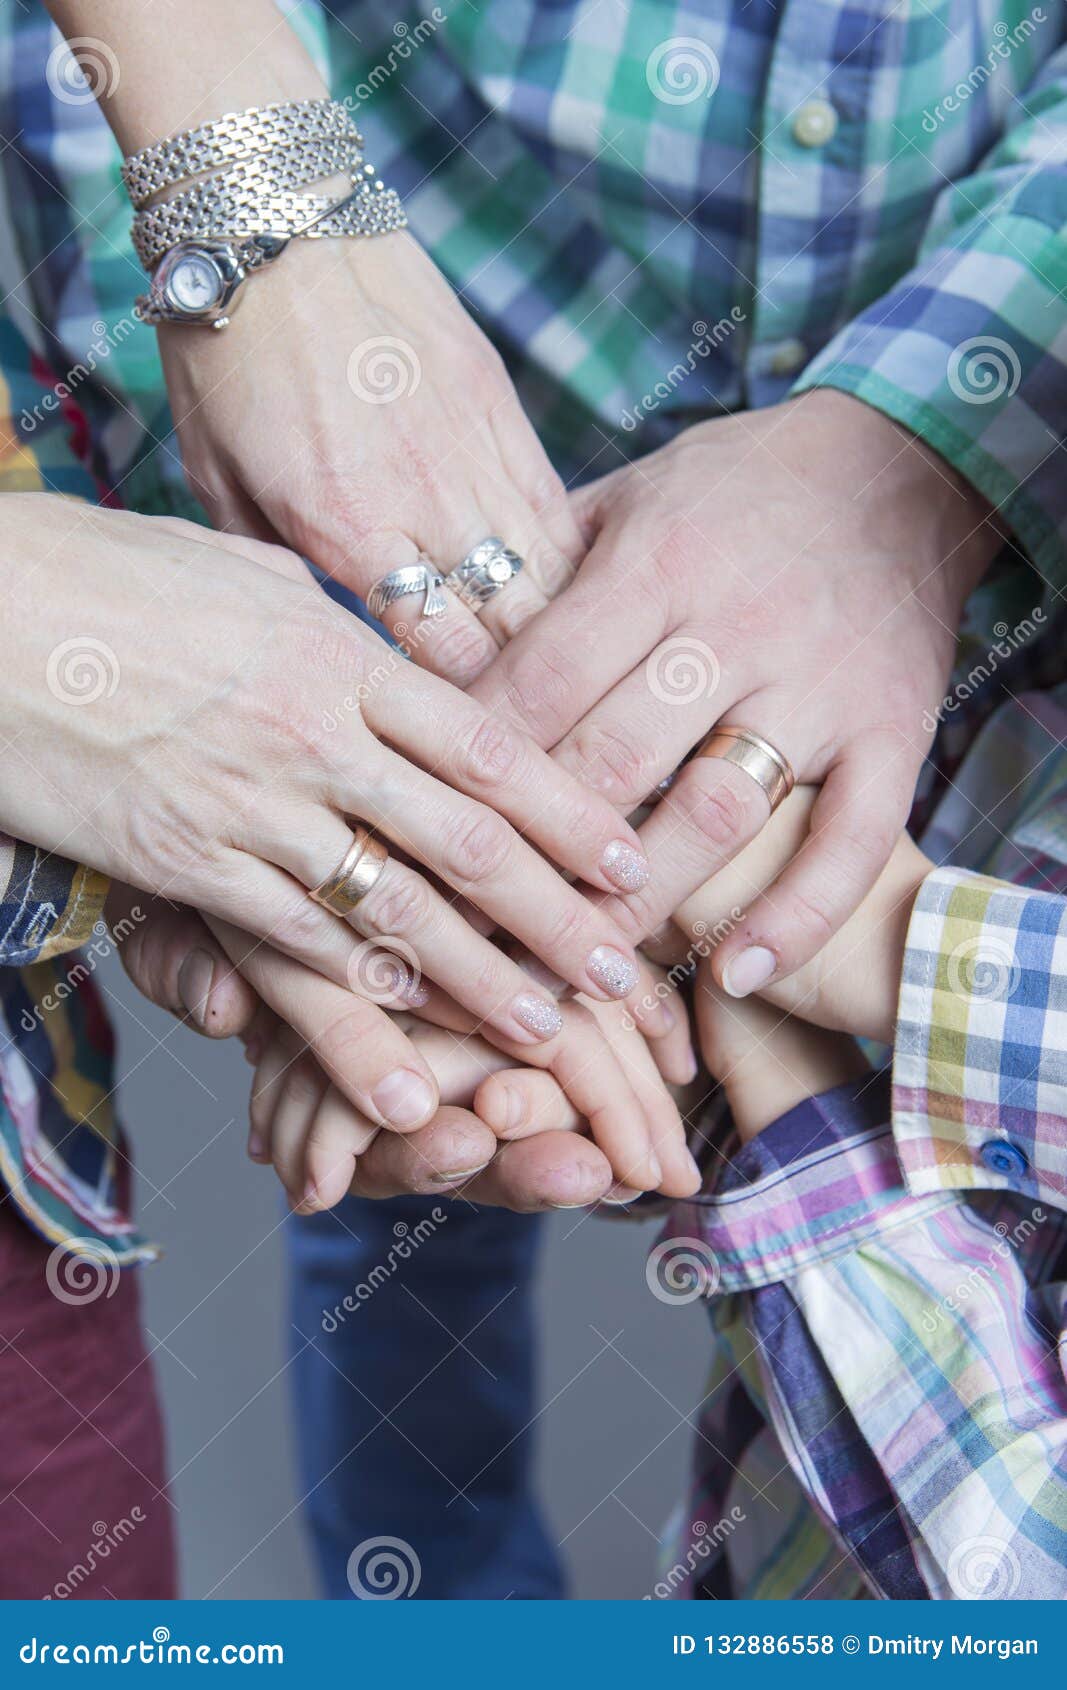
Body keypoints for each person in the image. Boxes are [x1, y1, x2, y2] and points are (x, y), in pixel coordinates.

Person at [17, 0, 1067, 1599]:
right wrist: (246, 218)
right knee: (411, 1143)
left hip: (855, 715)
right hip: (356, 558)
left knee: (427, 1051)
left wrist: (912, 472)